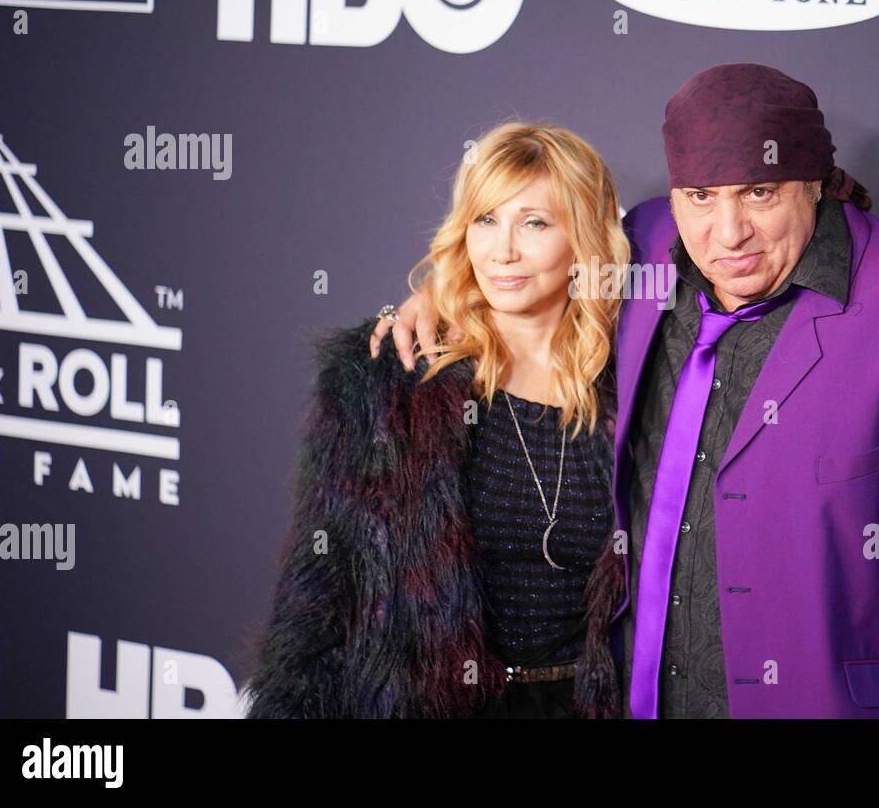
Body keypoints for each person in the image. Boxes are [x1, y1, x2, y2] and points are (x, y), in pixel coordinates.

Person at [376, 62, 879, 719]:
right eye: (702, 196)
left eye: (760, 193)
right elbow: (532, 260)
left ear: (815, 183)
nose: (728, 232)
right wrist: (438, 296)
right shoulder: (648, 243)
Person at [244, 122, 630, 718]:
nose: (502, 251)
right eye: (486, 220)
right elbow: (320, 592)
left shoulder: (635, 381)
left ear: (585, 239)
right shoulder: (392, 381)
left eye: (535, 223)